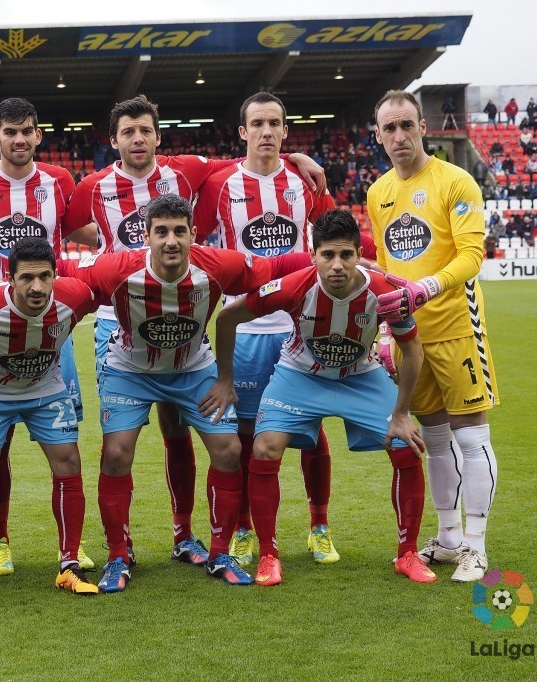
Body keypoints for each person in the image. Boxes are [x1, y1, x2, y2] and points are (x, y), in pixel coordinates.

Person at [61, 95, 325, 568]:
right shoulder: (93, 186)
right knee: (130, 442)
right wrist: (102, 257)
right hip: (119, 320)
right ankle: (123, 551)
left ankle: (185, 534)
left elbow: (247, 154)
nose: (137, 139)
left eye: (145, 130)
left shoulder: (184, 172)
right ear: (113, 140)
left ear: (158, 137)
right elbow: (68, 230)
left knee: (181, 429)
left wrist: (289, 156)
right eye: (127, 132)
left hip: (185, 318)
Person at [211, 208, 436, 586]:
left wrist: (401, 413)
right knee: (264, 448)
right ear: (313, 255)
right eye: (327, 255)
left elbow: (413, 351)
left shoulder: (383, 291)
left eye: (346, 255)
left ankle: (407, 554)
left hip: (361, 377)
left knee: (407, 445)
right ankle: (268, 554)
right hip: (299, 377)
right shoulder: (295, 286)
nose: (336, 265)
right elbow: (227, 318)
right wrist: (224, 380)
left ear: (358, 256)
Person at [193, 92, 340, 571]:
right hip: (248, 328)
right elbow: (197, 245)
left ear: (285, 129)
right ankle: (243, 529)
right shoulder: (219, 182)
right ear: (243, 132)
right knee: (247, 434)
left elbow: (334, 235)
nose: (267, 132)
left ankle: (319, 527)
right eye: (257, 123)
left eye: (275, 123)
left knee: (312, 430)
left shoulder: (303, 179)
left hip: (300, 325)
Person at [0, 97, 97, 576]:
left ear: (38, 136)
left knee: (63, 446)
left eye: (28, 131)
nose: (20, 139)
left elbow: (80, 231)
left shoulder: (61, 181)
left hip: (50, 326)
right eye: (10, 131)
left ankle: (70, 550)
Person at [369, 89, 499, 583]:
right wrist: (385, 327)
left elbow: (471, 256)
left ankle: (476, 545)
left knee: (471, 436)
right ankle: (447, 540)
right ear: (379, 136)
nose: (399, 136)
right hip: (411, 339)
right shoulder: (378, 192)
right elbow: (385, 267)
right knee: (436, 441)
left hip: (457, 328)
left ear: (423, 127)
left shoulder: (456, 181)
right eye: (390, 128)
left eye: (407, 125)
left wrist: (427, 286)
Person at [0, 237, 101, 603]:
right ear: (10, 278)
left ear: (55, 275)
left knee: (69, 461)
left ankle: (69, 564)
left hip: (45, 388)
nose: (37, 287)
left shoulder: (77, 297)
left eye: (44, 277)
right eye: (27, 278)